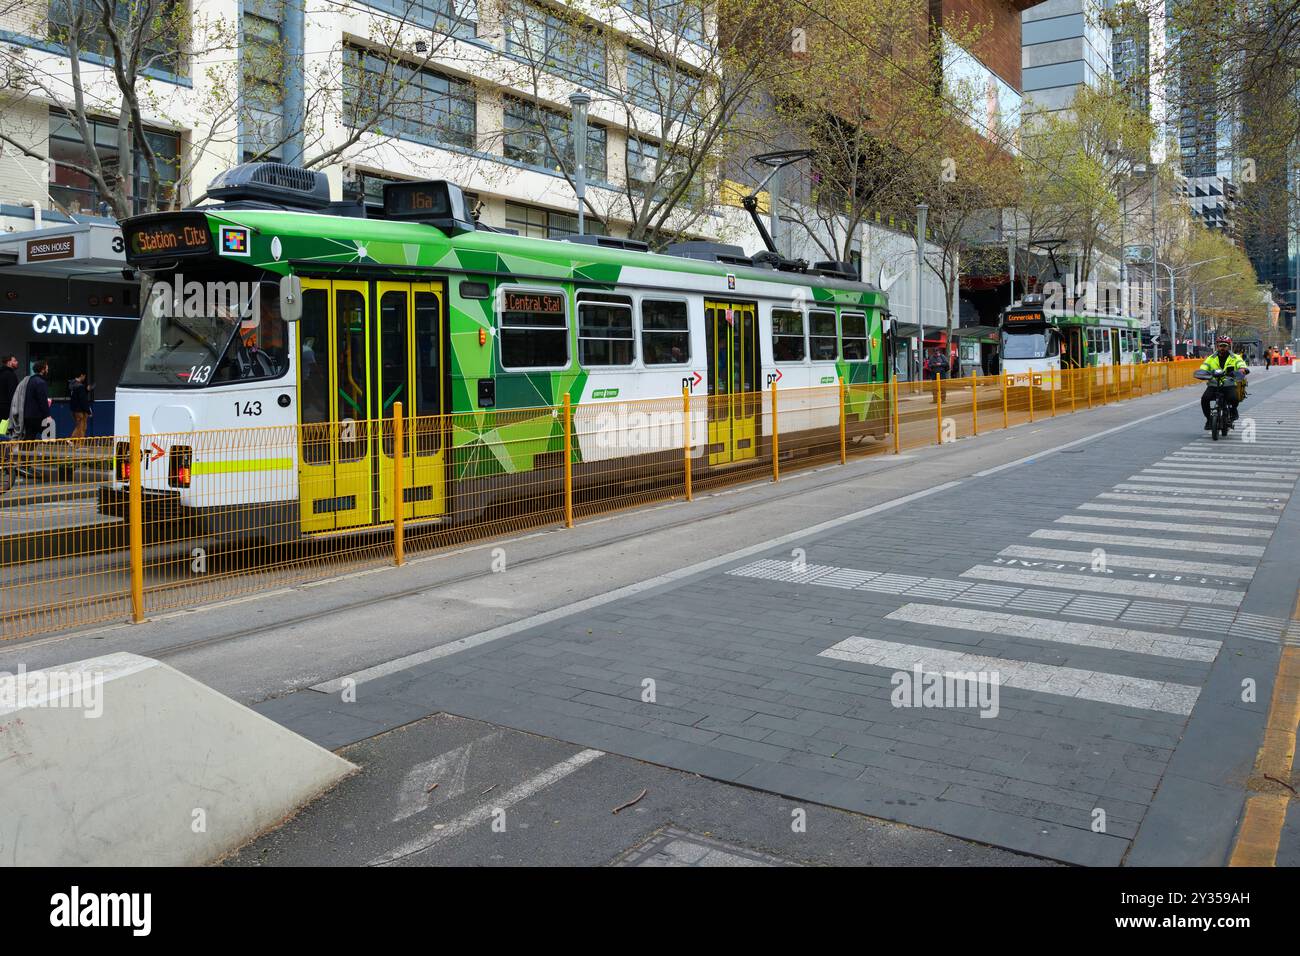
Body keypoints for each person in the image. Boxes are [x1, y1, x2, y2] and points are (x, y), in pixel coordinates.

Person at [1197, 335, 1248, 430]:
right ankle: (1208, 420)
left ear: (1229, 346)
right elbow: (1204, 367)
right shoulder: (1211, 358)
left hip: (1229, 384)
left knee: (1234, 398)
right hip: (1214, 384)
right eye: (1220, 345)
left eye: (1225, 345)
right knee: (1204, 399)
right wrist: (1202, 373)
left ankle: (1233, 410)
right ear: (1217, 346)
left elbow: (1241, 364)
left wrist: (1242, 370)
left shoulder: (1235, 357)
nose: (1222, 348)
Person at [22, 360, 51, 440]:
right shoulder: (41, 382)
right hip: (38, 416)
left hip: (28, 415)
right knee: (51, 435)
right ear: (42, 370)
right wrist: (47, 415)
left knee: (29, 439)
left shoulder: (29, 381)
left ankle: (25, 452)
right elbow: (42, 401)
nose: (48, 370)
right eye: (47, 368)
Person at [68, 372, 91, 439]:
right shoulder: (80, 386)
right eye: (84, 376)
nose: (84, 378)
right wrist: (88, 411)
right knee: (82, 427)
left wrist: (86, 390)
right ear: (81, 375)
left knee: (79, 426)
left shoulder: (72, 384)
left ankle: (72, 441)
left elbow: (76, 396)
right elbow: (82, 400)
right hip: (81, 410)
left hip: (74, 409)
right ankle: (78, 444)